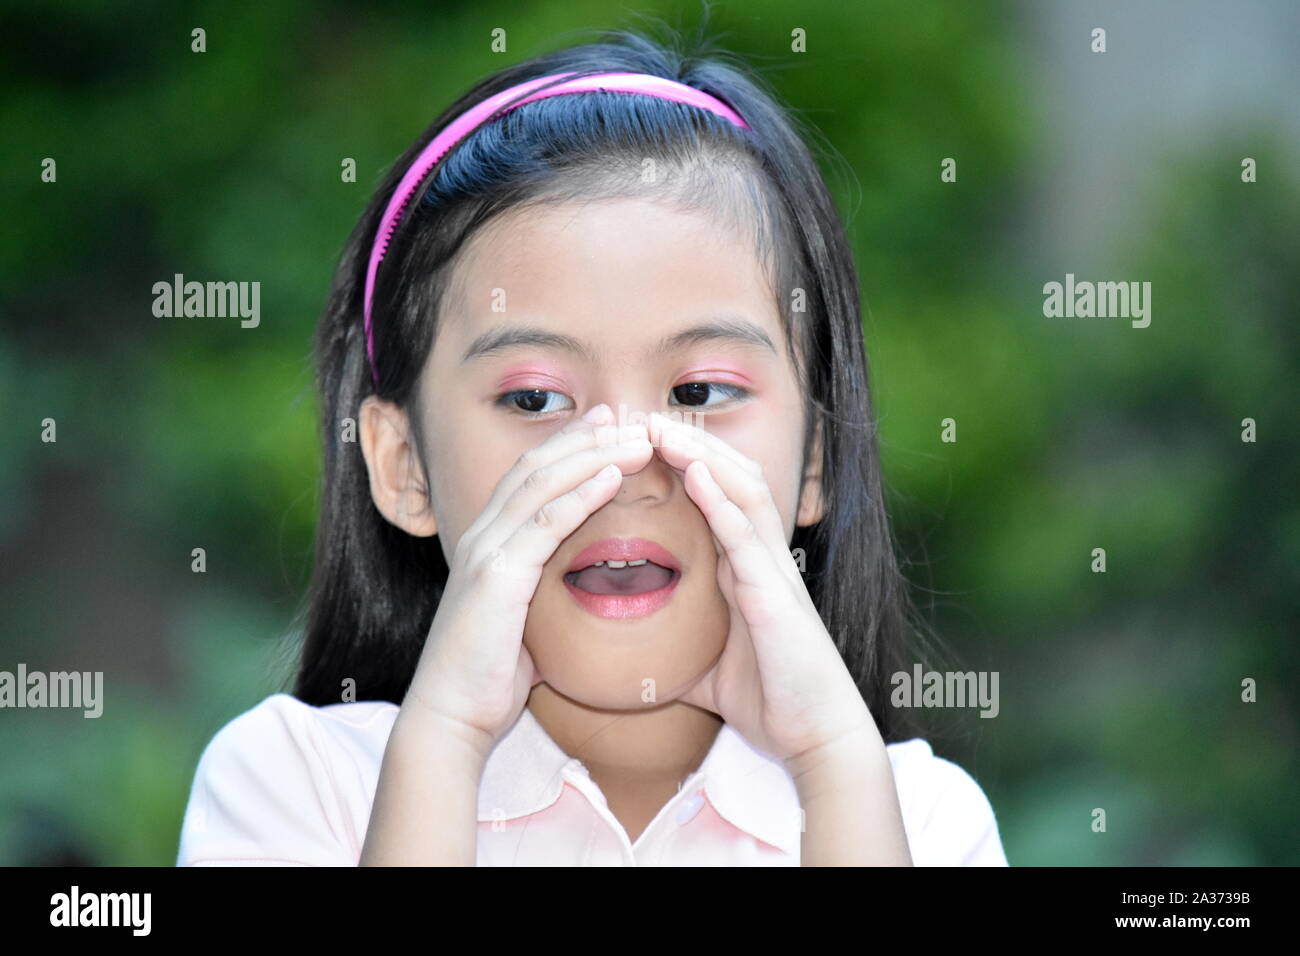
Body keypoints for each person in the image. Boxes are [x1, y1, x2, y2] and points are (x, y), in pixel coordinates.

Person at [176, 24, 1008, 866]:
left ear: (816, 462)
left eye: (699, 393)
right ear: (404, 467)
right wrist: (443, 745)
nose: (624, 468)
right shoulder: (299, 784)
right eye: (536, 399)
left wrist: (834, 763)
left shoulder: (914, 817)